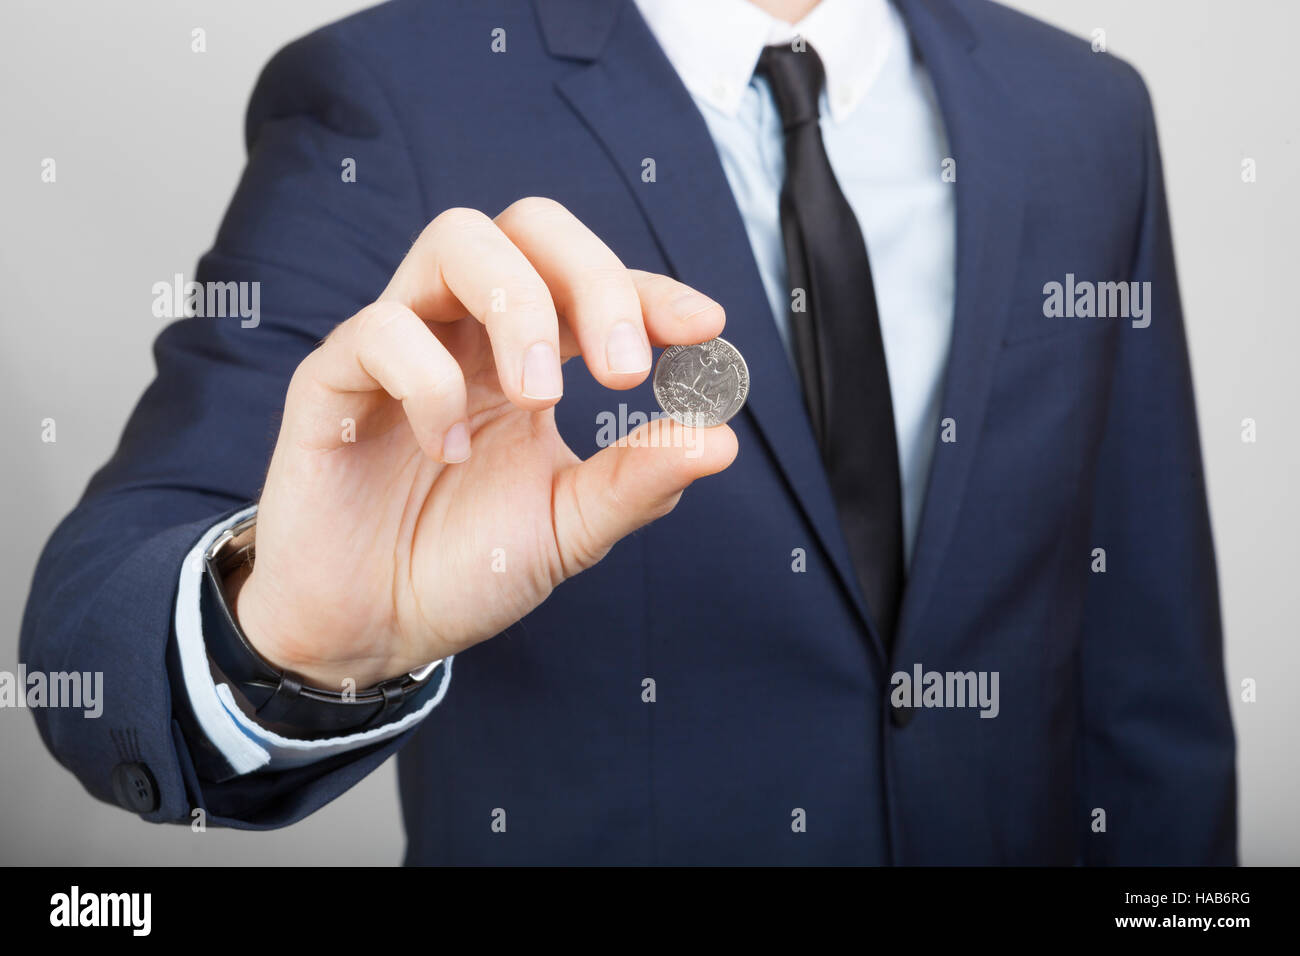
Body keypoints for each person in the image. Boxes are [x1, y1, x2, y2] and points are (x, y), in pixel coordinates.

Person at [21, 0, 1236, 864]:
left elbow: (1147, 669)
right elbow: (90, 623)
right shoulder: (391, 94)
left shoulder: (1082, 112)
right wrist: (283, 631)